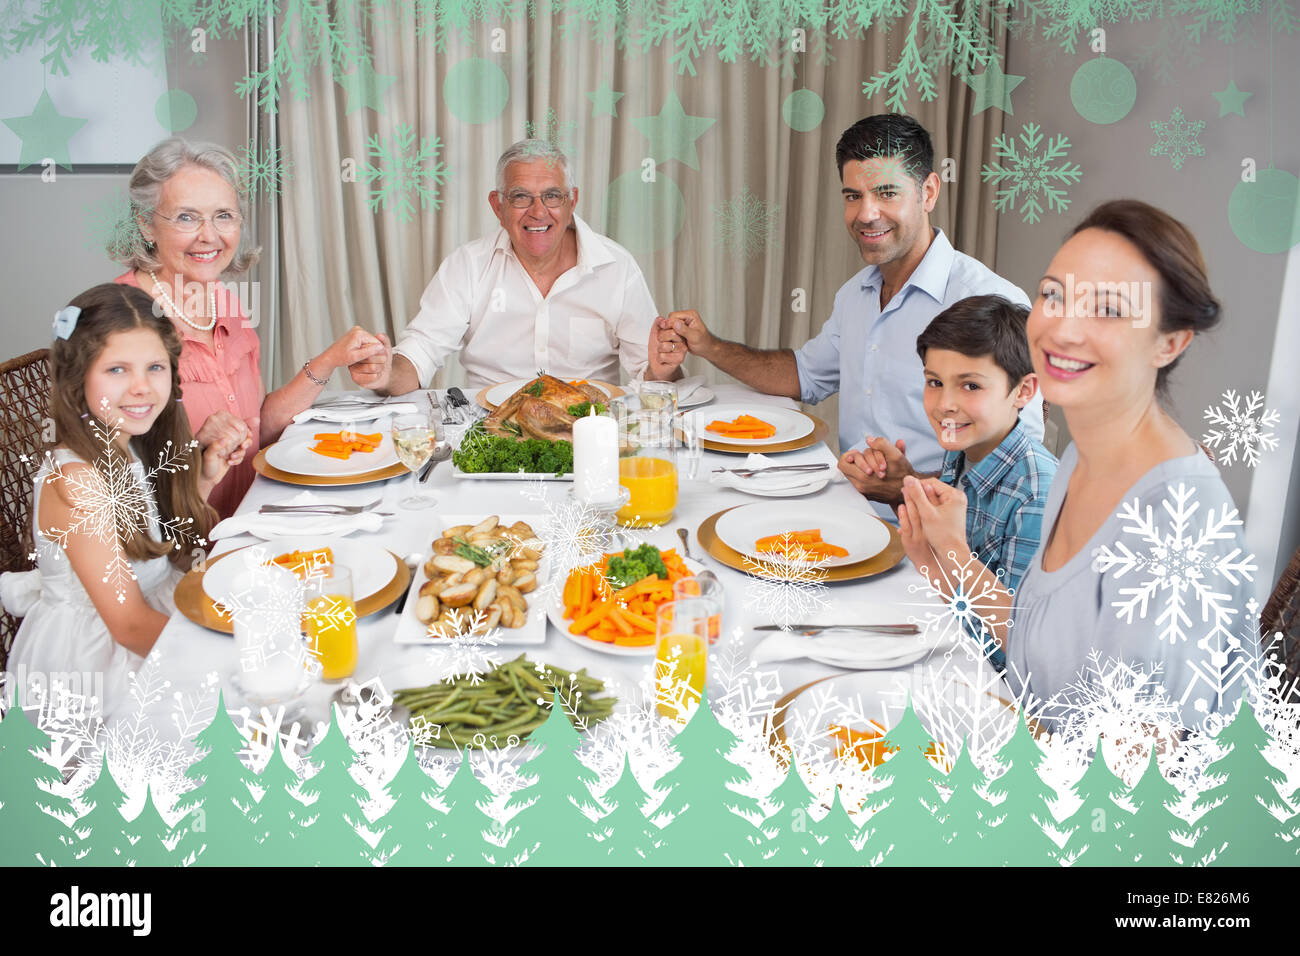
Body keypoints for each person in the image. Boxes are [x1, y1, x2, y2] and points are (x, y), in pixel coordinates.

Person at [652, 114, 1044, 520]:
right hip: (849, 513)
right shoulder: (856, 294)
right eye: (853, 196)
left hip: (940, 539)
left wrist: (908, 487)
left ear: (928, 192)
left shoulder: (989, 300)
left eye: (886, 193)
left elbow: (1020, 467)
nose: (866, 214)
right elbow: (803, 375)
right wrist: (709, 346)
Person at [1005, 200, 1258, 734]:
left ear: (1170, 343)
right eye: (1054, 294)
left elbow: (1134, 774)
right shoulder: (1080, 457)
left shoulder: (1176, 522)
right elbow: (1048, 649)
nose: (1063, 329)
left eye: (1108, 309)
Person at [111, 137, 389, 518]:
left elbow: (260, 427)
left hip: (251, 519)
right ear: (146, 224)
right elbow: (115, 494)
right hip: (185, 544)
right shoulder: (121, 322)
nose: (209, 235)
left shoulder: (224, 301)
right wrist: (197, 453)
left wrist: (329, 361)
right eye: (187, 217)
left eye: (224, 215)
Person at [3, 285, 238, 718]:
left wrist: (202, 482)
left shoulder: (125, 442)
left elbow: (150, 547)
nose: (141, 387)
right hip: (100, 661)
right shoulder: (78, 480)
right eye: (116, 370)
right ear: (78, 378)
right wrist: (231, 661)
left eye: (155, 367)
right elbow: (129, 625)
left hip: (148, 614)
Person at [352, 139, 679, 395]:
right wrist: (385, 374)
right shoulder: (468, 266)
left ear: (572, 202)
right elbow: (420, 354)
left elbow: (653, 376)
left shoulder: (616, 267)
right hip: (490, 432)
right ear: (498, 206)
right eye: (521, 197)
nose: (538, 212)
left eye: (552, 196)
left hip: (587, 431)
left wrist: (664, 366)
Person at [879, 295, 1058, 669]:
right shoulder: (965, 447)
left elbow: (1026, 646)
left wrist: (951, 550)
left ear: (1024, 391)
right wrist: (926, 556)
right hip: (945, 643)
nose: (945, 403)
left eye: (971, 386)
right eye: (934, 382)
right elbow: (954, 594)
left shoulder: (1038, 493)